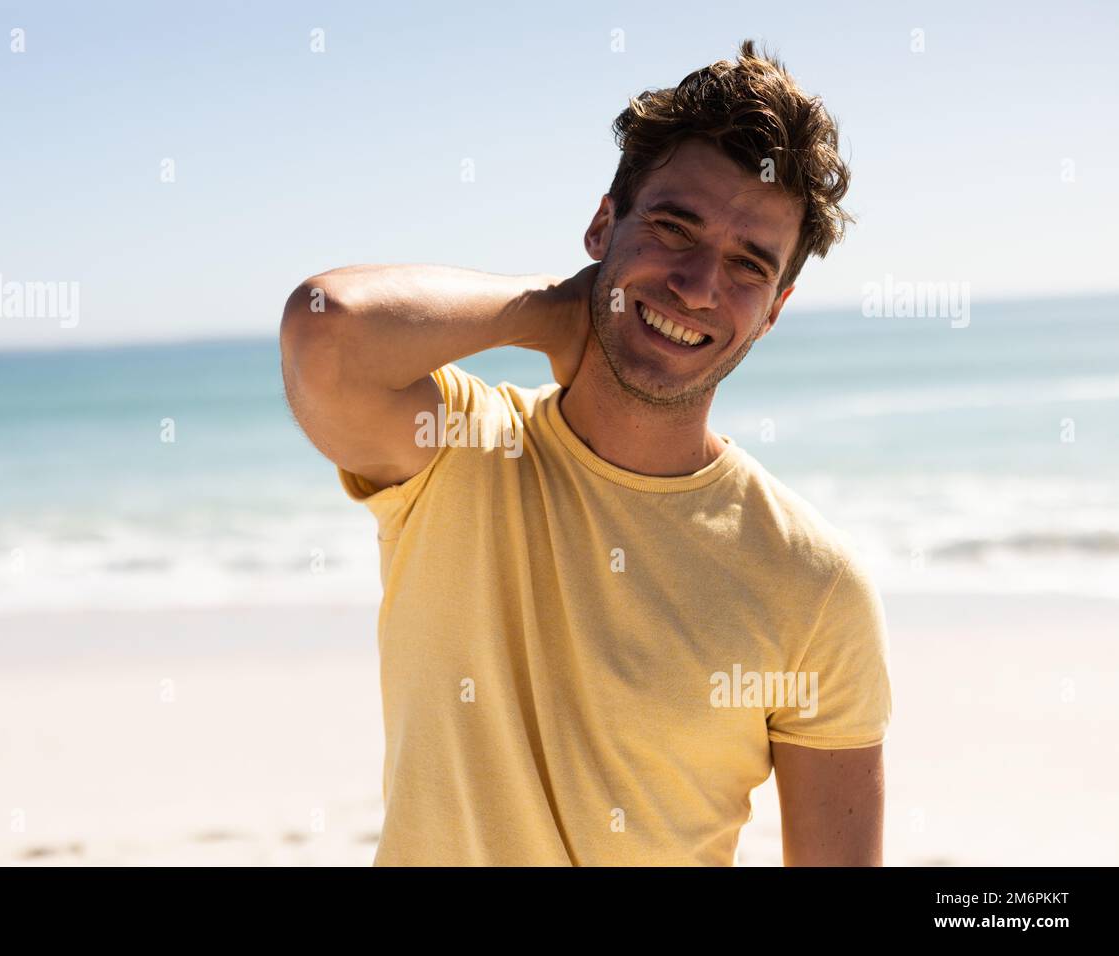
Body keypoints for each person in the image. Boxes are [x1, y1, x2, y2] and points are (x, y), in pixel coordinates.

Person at [279, 39, 891, 866]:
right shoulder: (459, 451)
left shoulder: (815, 583)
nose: (700, 285)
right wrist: (549, 309)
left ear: (776, 309)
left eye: (748, 265)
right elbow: (326, 328)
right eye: (674, 228)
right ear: (604, 224)